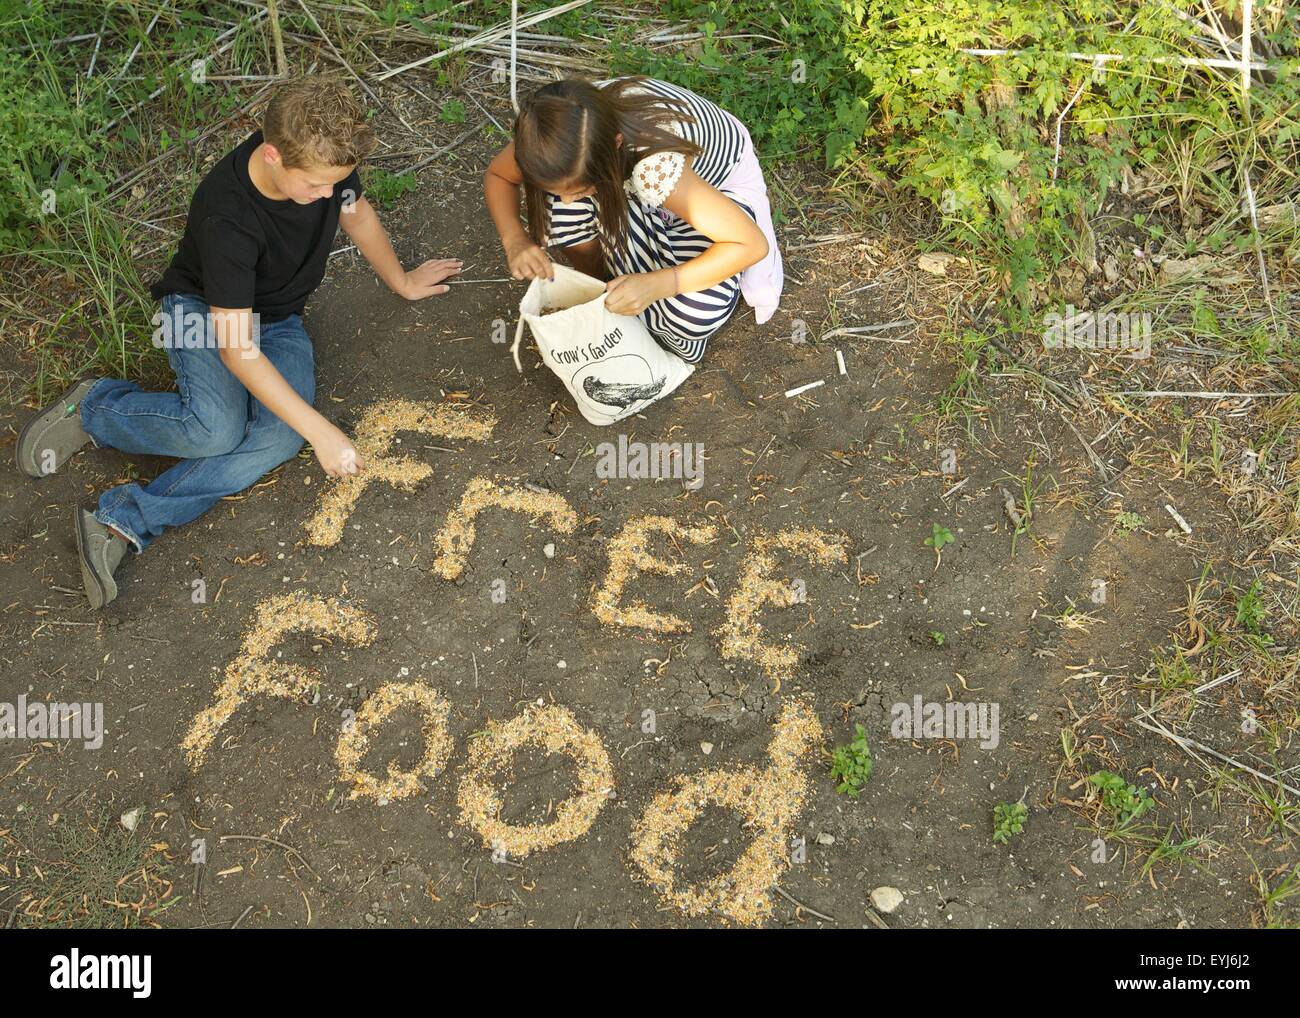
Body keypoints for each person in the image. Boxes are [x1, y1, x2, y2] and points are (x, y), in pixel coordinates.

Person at [15, 76, 462, 607]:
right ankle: (95, 410)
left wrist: (403, 281)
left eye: (335, 183)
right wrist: (323, 431)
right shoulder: (227, 214)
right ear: (272, 155)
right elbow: (237, 350)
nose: (327, 196)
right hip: (204, 315)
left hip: (276, 321)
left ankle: (121, 521)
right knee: (214, 431)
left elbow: (356, 213)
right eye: (317, 186)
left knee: (279, 437)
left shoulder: (325, 161)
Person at [483, 74, 782, 365]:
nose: (566, 200)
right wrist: (514, 240)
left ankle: (633, 296)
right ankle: (606, 288)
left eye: (581, 189)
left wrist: (661, 284)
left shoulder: (654, 170)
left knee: (694, 312)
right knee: (561, 217)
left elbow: (751, 244)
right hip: (644, 183)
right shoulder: (549, 134)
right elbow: (499, 176)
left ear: (614, 145)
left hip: (713, 187)